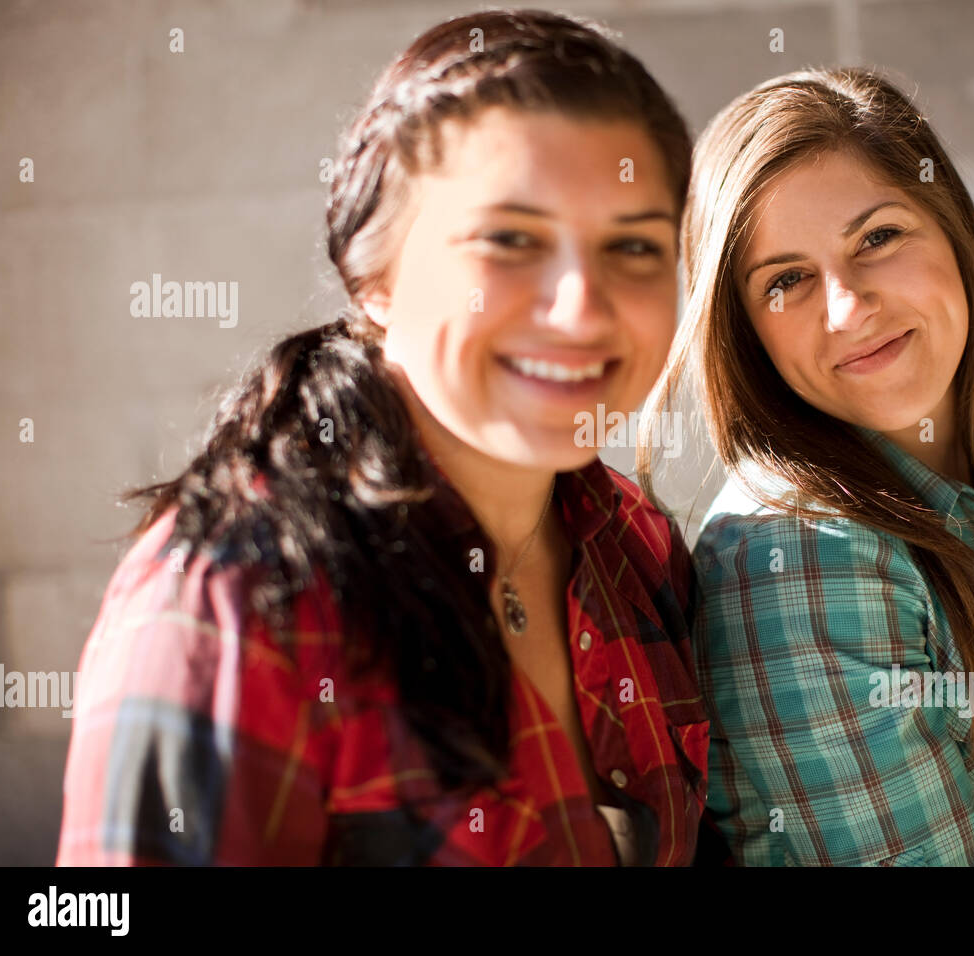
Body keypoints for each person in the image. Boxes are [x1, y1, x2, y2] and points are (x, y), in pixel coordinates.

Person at [57, 9, 708, 867]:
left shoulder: (638, 545)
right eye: (510, 240)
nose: (580, 306)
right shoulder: (236, 602)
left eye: (633, 246)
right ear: (374, 277)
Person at [639, 68, 974, 866]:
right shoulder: (800, 555)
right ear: (745, 335)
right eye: (787, 280)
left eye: (877, 238)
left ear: (955, 234)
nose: (848, 305)